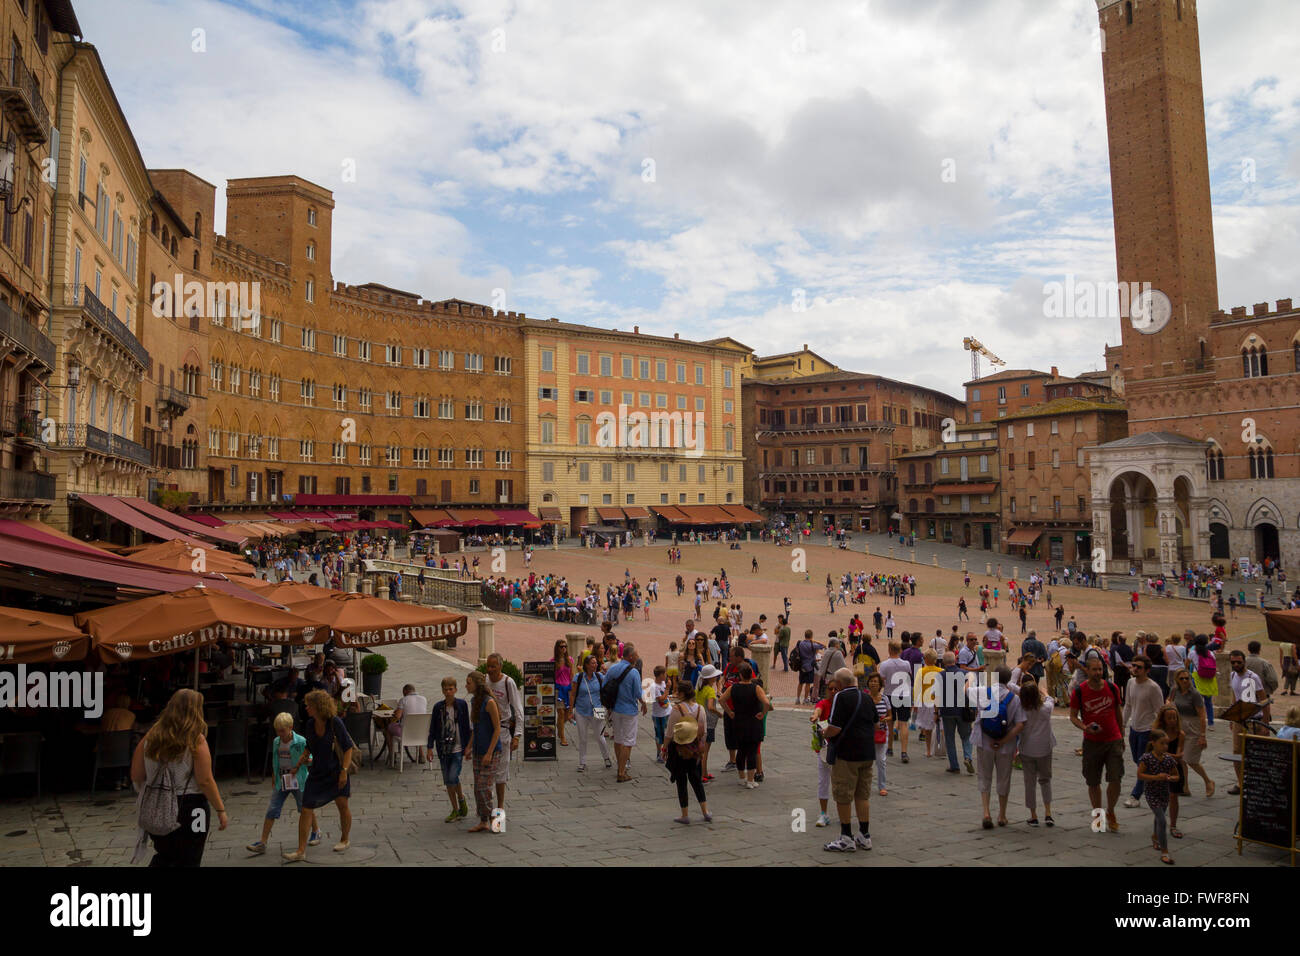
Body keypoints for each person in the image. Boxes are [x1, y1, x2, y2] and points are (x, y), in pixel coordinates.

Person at [129, 688, 228, 866]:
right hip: (190, 807)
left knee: (165, 855)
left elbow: (136, 774)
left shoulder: (150, 737)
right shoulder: (195, 740)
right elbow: (205, 780)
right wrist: (220, 809)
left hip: (157, 808)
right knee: (189, 858)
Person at [284, 690, 355, 861]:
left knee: (342, 805)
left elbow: (348, 748)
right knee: (307, 808)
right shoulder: (310, 724)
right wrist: (299, 763)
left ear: (317, 706)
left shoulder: (334, 722)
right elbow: (309, 745)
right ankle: (300, 851)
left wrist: (344, 771)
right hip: (317, 772)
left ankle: (345, 839)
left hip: (336, 771)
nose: (306, 708)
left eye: (309, 705)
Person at [821, 667, 876, 852]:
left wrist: (823, 732)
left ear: (839, 683)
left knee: (843, 795)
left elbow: (835, 727)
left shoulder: (841, 697)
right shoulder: (867, 697)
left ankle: (846, 837)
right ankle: (865, 835)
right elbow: (875, 722)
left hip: (847, 754)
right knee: (862, 795)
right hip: (867, 753)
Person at [1070, 656, 1125, 833]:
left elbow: (1118, 711)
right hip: (1092, 742)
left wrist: (1122, 735)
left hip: (1113, 739)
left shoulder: (1112, 687)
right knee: (1093, 781)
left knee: (1116, 778)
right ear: (1087, 670)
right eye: (1094, 669)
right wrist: (1085, 727)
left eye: (1100, 669)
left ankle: (1111, 811)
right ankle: (1098, 814)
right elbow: (1072, 716)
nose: (1098, 673)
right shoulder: (1079, 691)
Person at [246, 712, 316, 854]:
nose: (280, 734)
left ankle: (316, 830)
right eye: (277, 731)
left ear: (290, 727)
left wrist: (309, 761)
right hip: (283, 779)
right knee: (272, 808)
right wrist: (274, 775)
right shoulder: (277, 741)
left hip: (299, 779)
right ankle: (263, 842)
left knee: (305, 808)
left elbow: (311, 755)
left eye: (282, 730)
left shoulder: (300, 741)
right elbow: (275, 760)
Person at [971, 666, 1025, 828]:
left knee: (984, 776)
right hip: (1005, 744)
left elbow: (966, 692)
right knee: (1004, 778)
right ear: (1009, 679)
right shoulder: (1015, 699)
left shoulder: (982, 692)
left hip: (984, 740)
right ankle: (1002, 815)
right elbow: (1020, 724)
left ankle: (986, 812)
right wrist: (1003, 741)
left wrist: (970, 678)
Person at [1121, 656, 1165, 808]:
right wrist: (1122, 724)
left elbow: (1160, 710)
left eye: (1138, 667)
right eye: (1133, 665)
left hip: (1147, 730)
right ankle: (1153, 777)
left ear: (1147, 670)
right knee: (1136, 759)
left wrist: (1155, 728)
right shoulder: (1130, 682)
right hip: (1134, 728)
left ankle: (1135, 795)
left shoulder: (1153, 687)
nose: (1134, 669)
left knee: (1142, 763)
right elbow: (1127, 705)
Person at [720, 662, 772, 788]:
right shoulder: (756, 688)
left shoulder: (733, 688)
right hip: (753, 722)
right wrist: (762, 713)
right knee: (752, 751)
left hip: (738, 721)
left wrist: (730, 712)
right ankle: (750, 780)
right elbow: (767, 703)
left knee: (741, 750)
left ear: (740, 675)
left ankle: (741, 777)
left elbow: (721, 700)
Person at [1013, 676, 1056, 826]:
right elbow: (1051, 699)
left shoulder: (1021, 710)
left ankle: (1033, 815)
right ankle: (1048, 813)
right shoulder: (1046, 709)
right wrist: (1044, 691)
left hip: (1027, 749)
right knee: (1045, 780)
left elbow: (1012, 686)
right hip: (1045, 748)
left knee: (1029, 783)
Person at [665, 684, 711, 824]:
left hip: (679, 748)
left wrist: (664, 748)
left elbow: (669, 733)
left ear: (683, 694)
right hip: (694, 749)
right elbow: (704, 731)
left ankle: (685, 814)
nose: (676, 693)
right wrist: (700, 747)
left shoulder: (676, 710)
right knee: (696, 780)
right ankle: (705, 812)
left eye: (678, 691)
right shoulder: (700, 709)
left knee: (681, 781)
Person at [427, 677, 471, 822]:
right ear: (442, 690)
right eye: (446, 689)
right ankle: (455, 808)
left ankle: (461, 798)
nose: (448, 692)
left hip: (458, 748)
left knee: (452, 777)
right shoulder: (438, 708)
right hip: (443, 749)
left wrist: (469, 747)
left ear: (455, 690)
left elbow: (466, 727)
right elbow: (432, 728)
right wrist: (429, 747)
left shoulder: (462, 705)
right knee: (448, 780)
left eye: (451, 689)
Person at [465, 670, 503, 833]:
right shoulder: (474, 701)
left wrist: (489, 752)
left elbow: (497, 729)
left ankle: (494, 819)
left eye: (468, 682)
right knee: (477, 788)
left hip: (491, 750)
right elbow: (476, 726)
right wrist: (469, 746)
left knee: (484, 787)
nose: (466, 685)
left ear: (476, 684)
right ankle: (484, 820)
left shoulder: (489, 702)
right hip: (478, 749)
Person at [484, 653, 524, 809]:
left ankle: (499, 810)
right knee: (486, 772)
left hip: (504, 730)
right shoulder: (484, 681)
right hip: (486, 730)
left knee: (501, 773)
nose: (490, 669)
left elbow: (518, 710)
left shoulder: (508, 682)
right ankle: (487, 807)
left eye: (493, 666)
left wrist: (517, 736)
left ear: (500, 666)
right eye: (488, 666)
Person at [1227, 650, 1269, 795]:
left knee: (1255, 753)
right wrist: (1232, 718)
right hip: (1239, 720)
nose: (1236, 664)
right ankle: (1240, 783)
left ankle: (1257, 782)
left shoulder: (1253, 677)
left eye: (1239, 662)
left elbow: (1263, 700)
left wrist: (1266, 724)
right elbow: (1235, 697)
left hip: (1255, 720)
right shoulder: (1232, 675)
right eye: (1233, 662)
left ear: (1244, 661)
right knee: (1236, 752)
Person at [1167, 668, 1214, 796]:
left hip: (1193, 727)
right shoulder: (1174, 690)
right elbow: (1169, 702)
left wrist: (1202, 735)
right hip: (1179, 726)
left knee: (1190, 759)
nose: (1184, 681)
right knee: (1181, 759)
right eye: (1181, 678)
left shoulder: (1195, 694)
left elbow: (1201, 715)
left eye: (1187, 678)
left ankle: (1208, 781)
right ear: (1177, 679)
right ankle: (1185, 786)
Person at [1136, 730, 1178, 864]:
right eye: (1162, 743)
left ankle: (1155, 837)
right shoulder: (1146, 758)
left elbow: (1177, 776)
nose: (1165, 746)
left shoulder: (1169, 760)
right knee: (1162, 820)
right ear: (1153, 743)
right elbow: (1140, 775)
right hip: (1151, 793)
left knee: (1159, 817)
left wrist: (1171, 778)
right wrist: (1155, 777)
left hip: (1164, 793)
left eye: (1166, 744)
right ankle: (1165, 852)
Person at [606, 644, 647, 782]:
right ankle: (622, 772)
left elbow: (605, 685)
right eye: (636, 654)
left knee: (618, 739)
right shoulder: (634, 672)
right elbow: (637, 692)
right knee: (628, 741)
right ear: (630, 656)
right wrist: (643, 702)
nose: (637, 657)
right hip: (629, 709)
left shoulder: (613, 668)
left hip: (615, 708)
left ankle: (620, 767)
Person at [572, 653, 611, 771]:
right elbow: (573, 694)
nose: (596, 665)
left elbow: (607, 689)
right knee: (583, 738)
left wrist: (608, 707)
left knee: (600, 737)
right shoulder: (578, 677)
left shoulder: (600, 677)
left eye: (596, 663)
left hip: (597, 710)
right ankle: (582, 762)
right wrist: (570, 710)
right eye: (593, 663)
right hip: (581, 711)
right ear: (587, 665)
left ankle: (606, 757)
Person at [1154, 705, 1187, 840]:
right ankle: (1159, 824)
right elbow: (1157, 752)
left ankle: (1173, 825)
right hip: (1160, 768)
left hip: (1174, 769)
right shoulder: (1157, 733)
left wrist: (1165, 754)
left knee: (1174, 796)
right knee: (1160, 798)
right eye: (1169, 718)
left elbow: (1178, 755)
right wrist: (1172, 755)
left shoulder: (1180, 734)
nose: (1173, 720)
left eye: (1174, 717)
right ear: (1163, 719)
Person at [878, 640, 912, 764]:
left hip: (889, 694)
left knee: (890, 723)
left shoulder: (885, 665)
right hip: (904, 694)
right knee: (903, 723)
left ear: (889, 649)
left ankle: (890, 748)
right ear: (900, 650)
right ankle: (904, 751)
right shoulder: (906, 664)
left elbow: (881, 680)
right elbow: (909, 677)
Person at [386, 683, 428, 765]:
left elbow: (397, 716)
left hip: (406, 732)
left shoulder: (404, 699)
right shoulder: (424, 699)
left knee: (388, 729)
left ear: (405, 691)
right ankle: (421, 755)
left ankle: (392, 754)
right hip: (421, 732)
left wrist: (394, 716)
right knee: (416, 726)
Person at [865, 673, 892, 796]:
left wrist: (885, 719)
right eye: (871, 681)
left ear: (880, 684)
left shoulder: (885, 698)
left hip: (881, 733)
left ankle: (882, 786)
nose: (873, 683)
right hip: (867, 734)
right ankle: (865, 784)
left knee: (881, 760)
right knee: (867, 761)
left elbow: (890, 716)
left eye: (876, 681)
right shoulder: (865, 698)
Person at [696, 664, 723, 780]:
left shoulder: (698, 689)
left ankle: (704, 773)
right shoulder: (710, 691)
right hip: (709, 723)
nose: (716, 678)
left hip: (698, 721)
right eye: (715, 676)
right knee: (705, 751)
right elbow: (711, 707)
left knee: (699, 749)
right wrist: (719, 713)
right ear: (711, 678)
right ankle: (702, 774)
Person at [1187, 635, 1217, 729]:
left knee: (1195, 702)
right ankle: (1211, 723)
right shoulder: (1211, 653)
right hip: (1209, 679)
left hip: (1197, 678)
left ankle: (1197, 721)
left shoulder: (1192, 653)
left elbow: (1187, 664)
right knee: (1208, 702)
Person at [553, 640, 574, 747]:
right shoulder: (553, 661)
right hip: (558, 689)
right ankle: (562, 737)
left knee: (566, 714)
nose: (564, 648)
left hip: (567, 688)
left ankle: (559, 726)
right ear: (557, 648)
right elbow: (551, 677)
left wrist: (573, 690)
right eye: (561, 646)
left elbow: (572, 675)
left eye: (565, 646)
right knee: (560, 712)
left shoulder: (570, 660)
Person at [793, 630, 823, 705]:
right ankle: (805, 699)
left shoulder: (801, 643)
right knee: (808, 683)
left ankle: (797, 698)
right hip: (810, 666)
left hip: (802, 665)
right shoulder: (813, 645)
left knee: (800, 682)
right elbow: (823, 646)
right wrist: (814, 641)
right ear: (811, 636)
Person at [651, 666, 671, 764]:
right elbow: (661, 699)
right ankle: (659, 753)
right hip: (658, 715)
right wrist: (667, 688)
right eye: (665, 674)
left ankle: (666, 752)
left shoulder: (663, 683)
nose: (666, 675)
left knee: (668, 733)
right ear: (661, 675)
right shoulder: (654, 687)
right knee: (659, 735)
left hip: (667, 712)